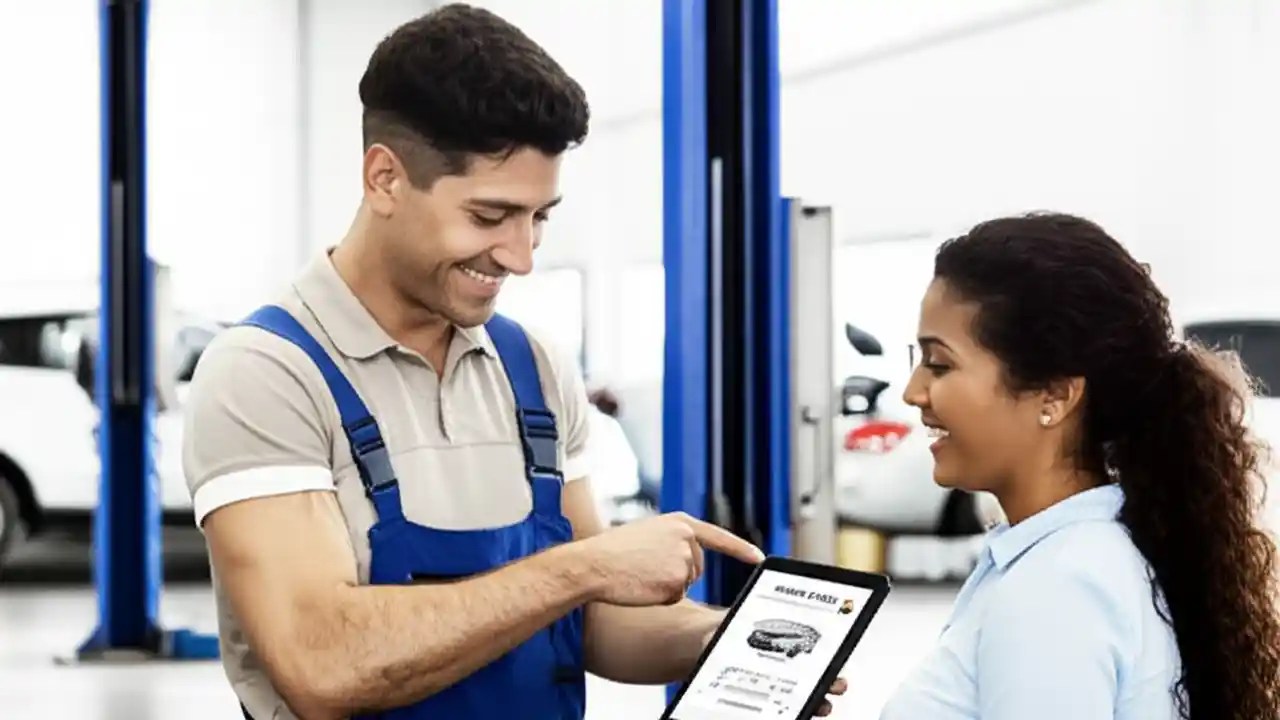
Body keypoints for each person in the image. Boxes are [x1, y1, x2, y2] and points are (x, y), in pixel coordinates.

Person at [181, 5, 846, 719]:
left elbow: (589, 623)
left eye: (540, 217)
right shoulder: (266, 375)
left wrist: (729, 641)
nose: (522, 257)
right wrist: (584, 566)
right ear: (384, 179)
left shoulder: (534, 368)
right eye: (490, 217)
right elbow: (323, 662)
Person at [878, 213, 1280, 719]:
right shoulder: (1068, 556)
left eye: (939, 365)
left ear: (1055, 395)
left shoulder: (1057, 585)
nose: (913, 392)